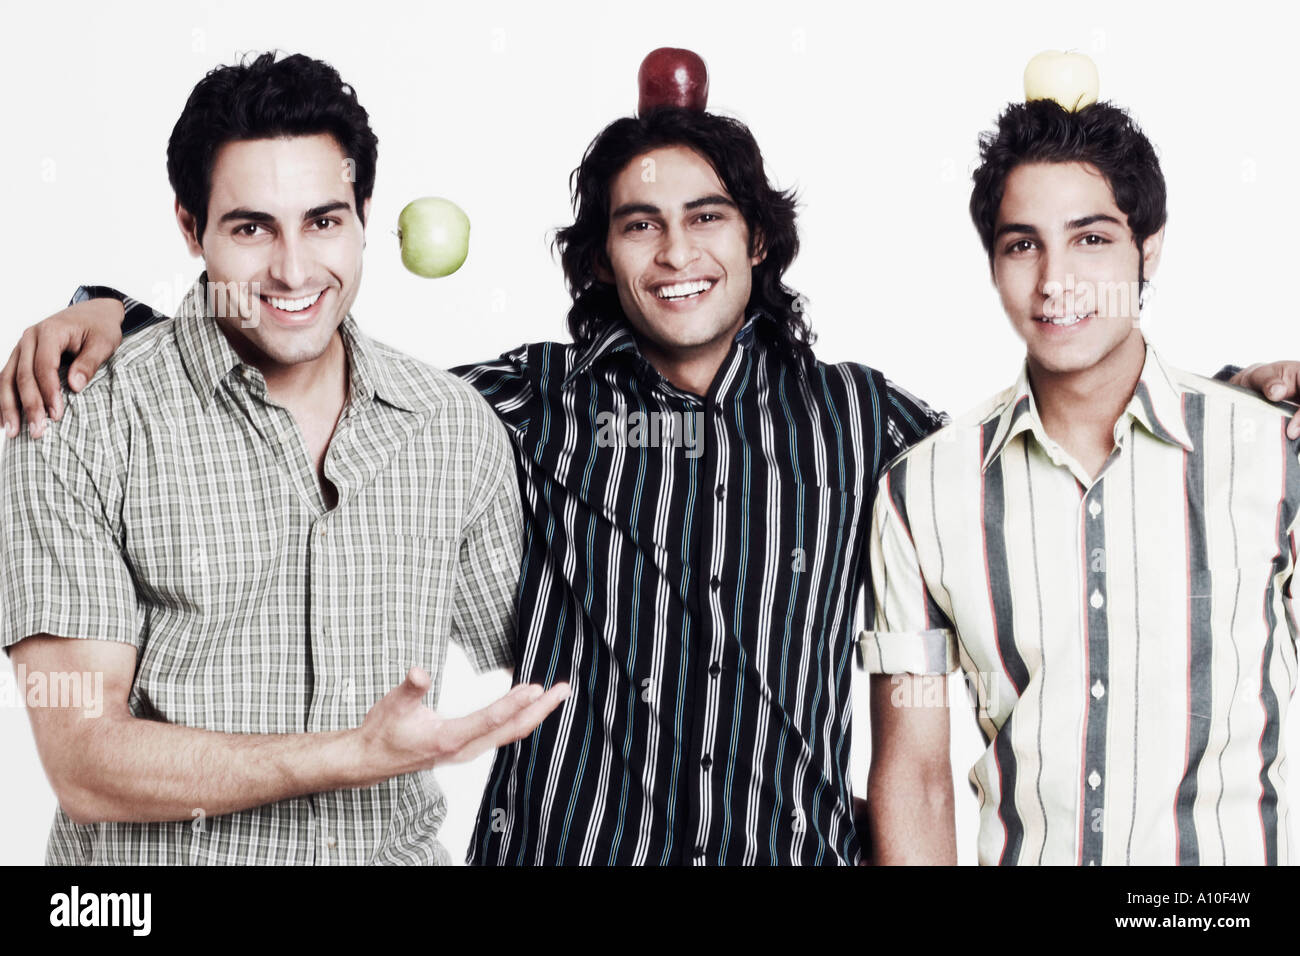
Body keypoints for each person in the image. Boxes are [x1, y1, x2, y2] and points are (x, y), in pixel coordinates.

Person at [5, 91, 1298, 866]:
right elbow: (319, 360)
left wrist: (1229, 391)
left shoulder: (867, 425)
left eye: (707, 216)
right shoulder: (528, 403)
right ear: (605, 258)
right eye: (638, 221)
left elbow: (1041, 433)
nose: (676, 250)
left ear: (759, 240)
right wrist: (117, 312)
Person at [0, 51, 569, 866]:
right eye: (250, 227)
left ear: (365, 213)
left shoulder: (449, 426)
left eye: (324, 220)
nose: (295, 270)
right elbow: (85, 762)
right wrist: (351, 757)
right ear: (191, 229)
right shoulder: (74, 418)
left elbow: (560, 653)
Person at [864, 96, 1299, 865]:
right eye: (1022, 244)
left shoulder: (1272, 451)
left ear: (1149, 249)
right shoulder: (922, 494)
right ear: (993, 263)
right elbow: (918, 775)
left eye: (1091, 239)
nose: (1057, 280)